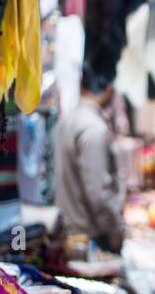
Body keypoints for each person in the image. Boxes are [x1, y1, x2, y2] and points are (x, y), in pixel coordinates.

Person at [54, 65, 125, 253]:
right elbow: (98, 192)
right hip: (89, 237)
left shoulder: (69, 119)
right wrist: (115, 231)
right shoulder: (93, 128)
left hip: (70, 230)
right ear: (108, 88)